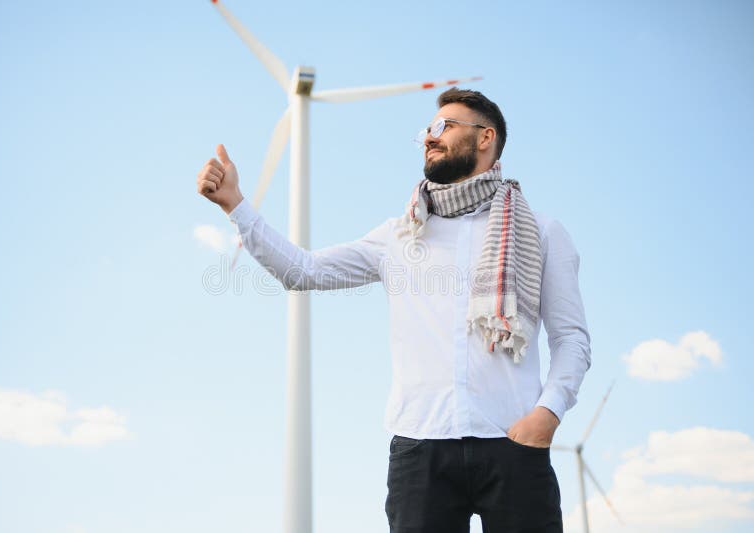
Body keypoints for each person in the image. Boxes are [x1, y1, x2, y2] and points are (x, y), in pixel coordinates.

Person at [196, 88, 590, 533]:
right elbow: (302, 270)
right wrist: (236, 206)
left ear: (486, 138)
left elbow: (571, 339)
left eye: (445, 126)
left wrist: (547, 414)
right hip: (420, 451)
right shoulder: (399, 236)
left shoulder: (541, 232)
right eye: (428, 129)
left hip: (515, 441)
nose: (430, 136)